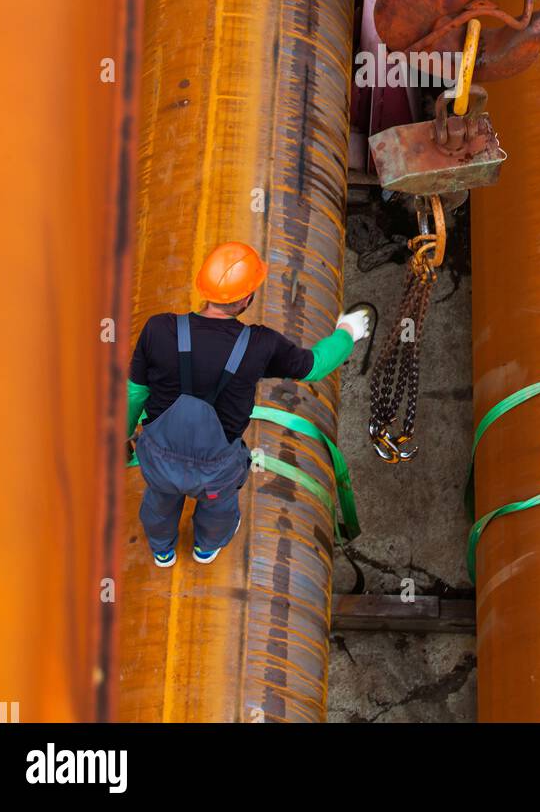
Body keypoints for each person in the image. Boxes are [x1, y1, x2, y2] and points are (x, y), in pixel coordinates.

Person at [126, 240, 369, 568]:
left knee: (160, 500)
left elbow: (135, 394)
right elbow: (313, 366)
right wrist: (346, 334)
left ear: (204, 289)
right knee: (218, 507)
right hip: (216, 470)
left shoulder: (158, 329)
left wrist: (125, 441)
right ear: (247, 299)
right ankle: (205, 548)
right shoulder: (260, 346)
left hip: (158, 460)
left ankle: (162, 550)